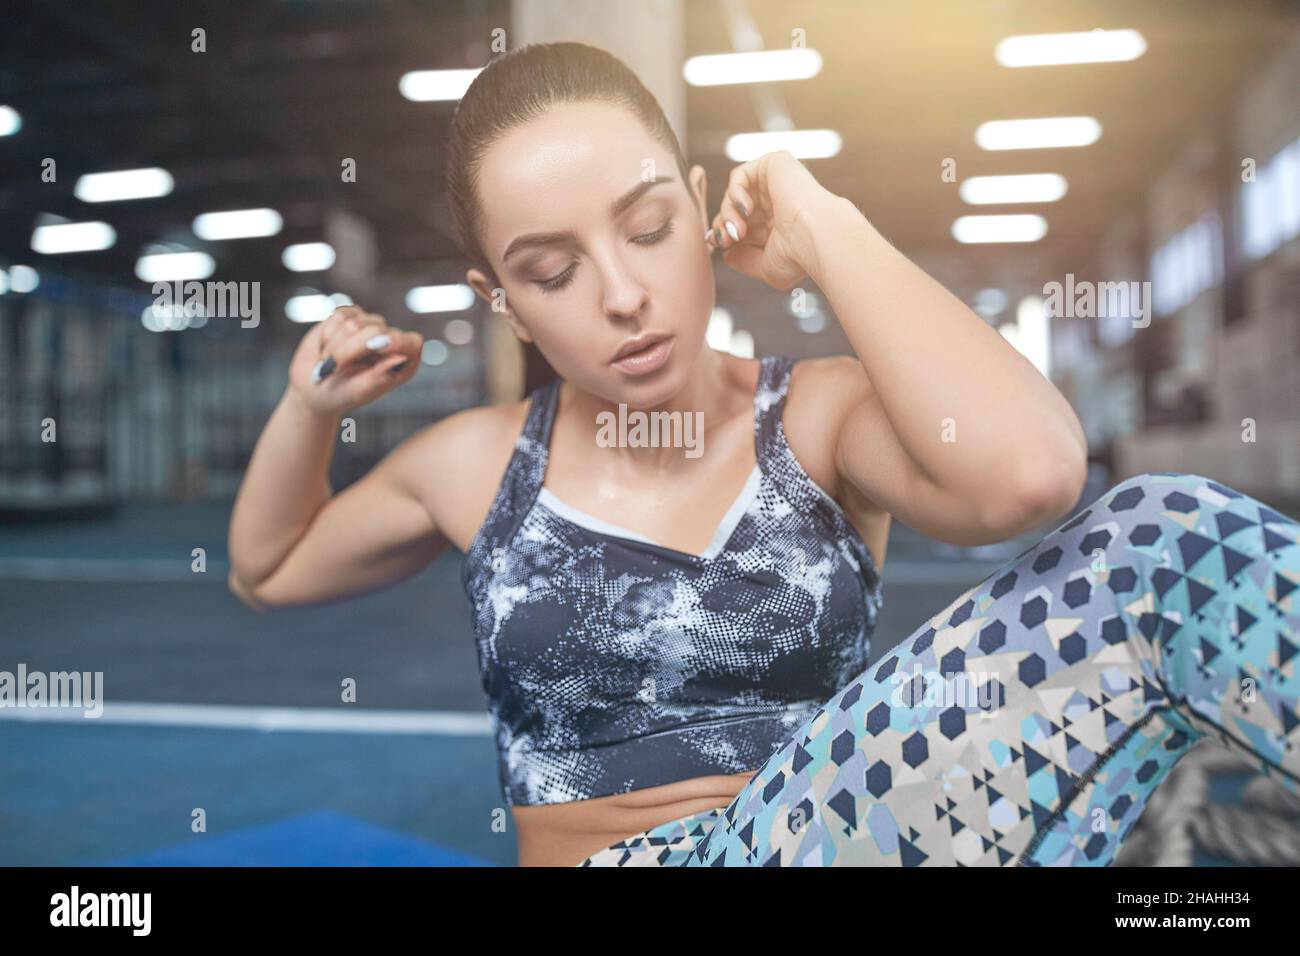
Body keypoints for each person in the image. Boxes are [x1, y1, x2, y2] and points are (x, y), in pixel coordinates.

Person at [227, 41, 1300, 867]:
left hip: (848, 833)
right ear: (502, 303)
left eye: (647, 228)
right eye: (553, 271)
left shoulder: (818, 415)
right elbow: (268, 568)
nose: (622, 294)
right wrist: (308, 406)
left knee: (1153, 540)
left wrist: (821, 222)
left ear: (699, 210)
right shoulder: (474, 462)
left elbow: (1028, 474)